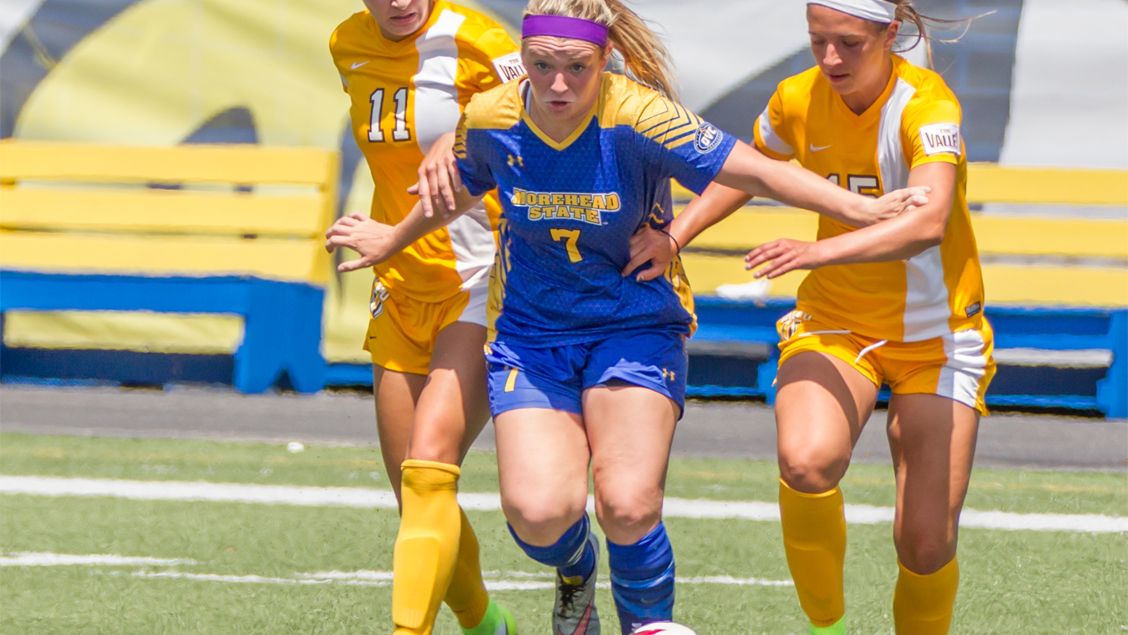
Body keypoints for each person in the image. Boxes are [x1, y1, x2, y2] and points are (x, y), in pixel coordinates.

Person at [326, 0, 927, 632]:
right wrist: (391, 240)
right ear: (523, 61)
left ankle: (646, 625)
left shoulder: (641, 116)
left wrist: (863, 211)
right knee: (538, 514)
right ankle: (576, 567)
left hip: (632, 324)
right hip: (533, 336)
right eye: (542, 66)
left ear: (605, 58)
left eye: (577, 67)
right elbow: (461, 188)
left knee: (628, 503)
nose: (558, 84)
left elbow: (755, 170)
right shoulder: (493, 116)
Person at [627, 1, 992, 633]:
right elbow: (746, 169)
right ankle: (828, 625)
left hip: (939, 337)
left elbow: (928, 223)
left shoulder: (928, 105)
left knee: (926, 544)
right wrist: (676, 235)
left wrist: (816, 250)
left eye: (848, 43)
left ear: (889, 33)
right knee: (805, 460)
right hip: (835, 321)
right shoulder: (798, 96)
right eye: (818, 41)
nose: (830, 59)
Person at [328, 2, 525, 634]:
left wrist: (465, 130)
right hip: (399, 277)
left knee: (429, 464)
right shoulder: (345, 44)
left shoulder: (482, 40)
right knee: (414, 492)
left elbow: (550, 123)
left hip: (480, 277)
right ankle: (487, 625)